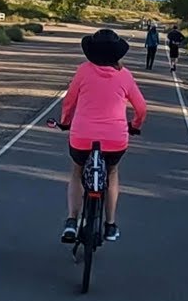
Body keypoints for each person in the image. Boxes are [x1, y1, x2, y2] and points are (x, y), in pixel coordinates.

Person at [58, 28, 147, 244]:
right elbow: (142, 108)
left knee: (77, 172)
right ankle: (110, 224)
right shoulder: (125, 75)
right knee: (112, 172)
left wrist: (65, 121)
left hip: (81, 136)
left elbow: (69, 101)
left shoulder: (83, 71)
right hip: (115, 139)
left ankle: (71, 220)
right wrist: (134, 125)